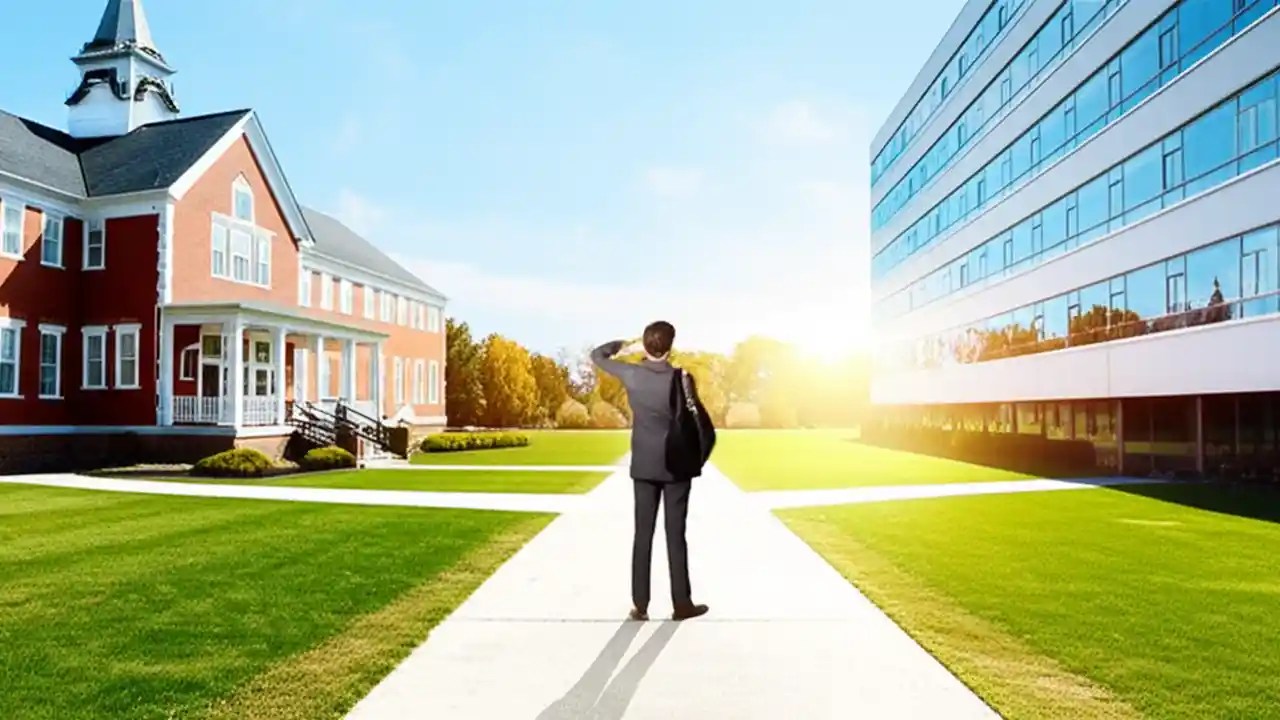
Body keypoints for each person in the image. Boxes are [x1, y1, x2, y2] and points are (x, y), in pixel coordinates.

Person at [591, 321, 710, 622]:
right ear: (671, 346)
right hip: (677, 467)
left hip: (644, 465)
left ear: (646, 346)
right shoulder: (683, 378)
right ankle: (681, 604)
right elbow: (698, 424)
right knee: (675, 536)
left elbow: (598, 355)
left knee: (643, 535)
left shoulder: (632, 373)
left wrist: (624, 345)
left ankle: (640, 604)